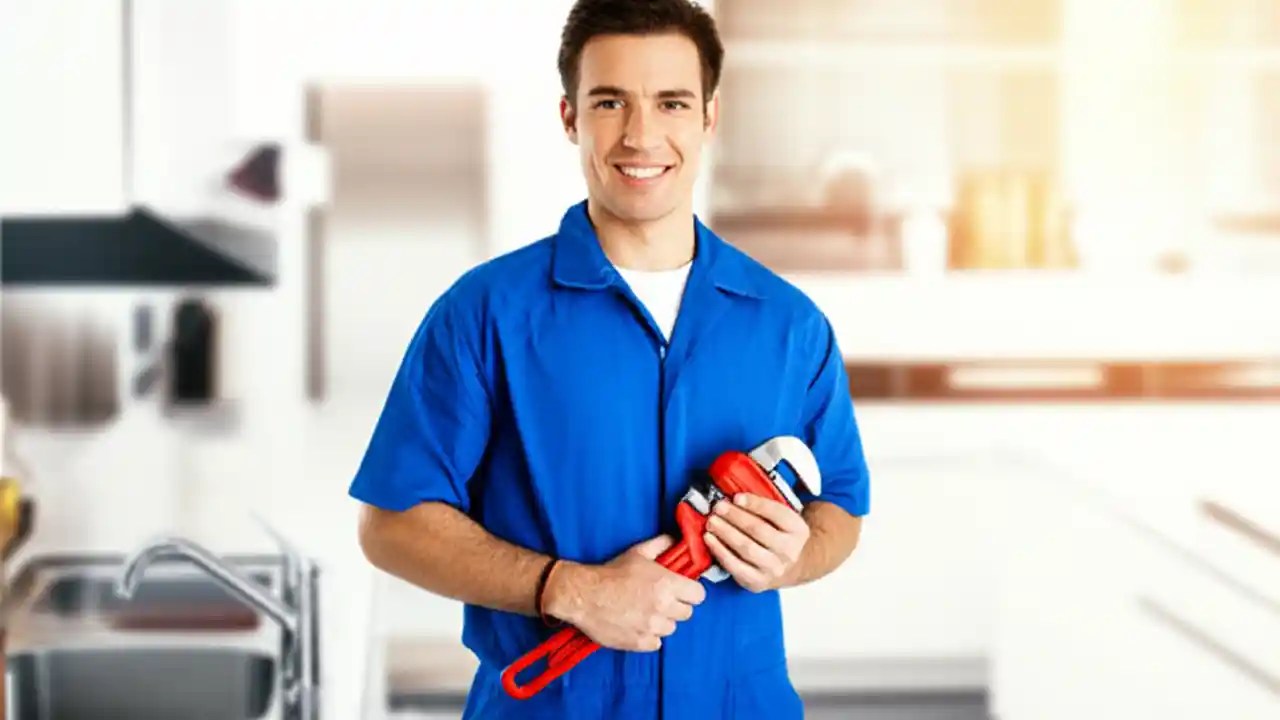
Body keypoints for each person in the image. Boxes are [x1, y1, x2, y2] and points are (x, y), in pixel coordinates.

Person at [349, 1, 871, 717]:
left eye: (671, 102)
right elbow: (392, 524)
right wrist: (565, 587)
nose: (641, 134)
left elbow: (839, 508)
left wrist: (793, 554)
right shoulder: (485, 315)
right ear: (570, 117)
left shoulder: (789, 327)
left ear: (709, 118)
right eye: (609, 102)